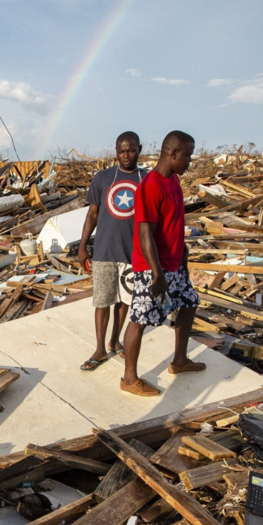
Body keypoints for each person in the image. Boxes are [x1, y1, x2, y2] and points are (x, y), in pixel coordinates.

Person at [120, 131, 205, 396]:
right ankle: (129, 379)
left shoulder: (174, 181)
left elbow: (173, 224)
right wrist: (156, 273)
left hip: (174, 263)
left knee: (189, 303)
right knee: (139, 318)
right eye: (188, 155)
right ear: (173, 153)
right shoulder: (151, 186)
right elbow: (145, 233)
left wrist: (183, 255)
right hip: (152, 267)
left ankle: (179, 361)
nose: (190, 161)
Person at [77, 132, 145, 371]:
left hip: (133, 253)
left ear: (139, 149)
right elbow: (92, 214)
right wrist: (83, 245)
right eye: (121, 151)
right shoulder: (103, 178)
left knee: (125, 300)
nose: (126, 155)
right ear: (115, 151)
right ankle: (99, 349)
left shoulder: (146, 179)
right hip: (105, 250)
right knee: (102, 301)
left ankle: (115, 340)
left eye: (131, 150)